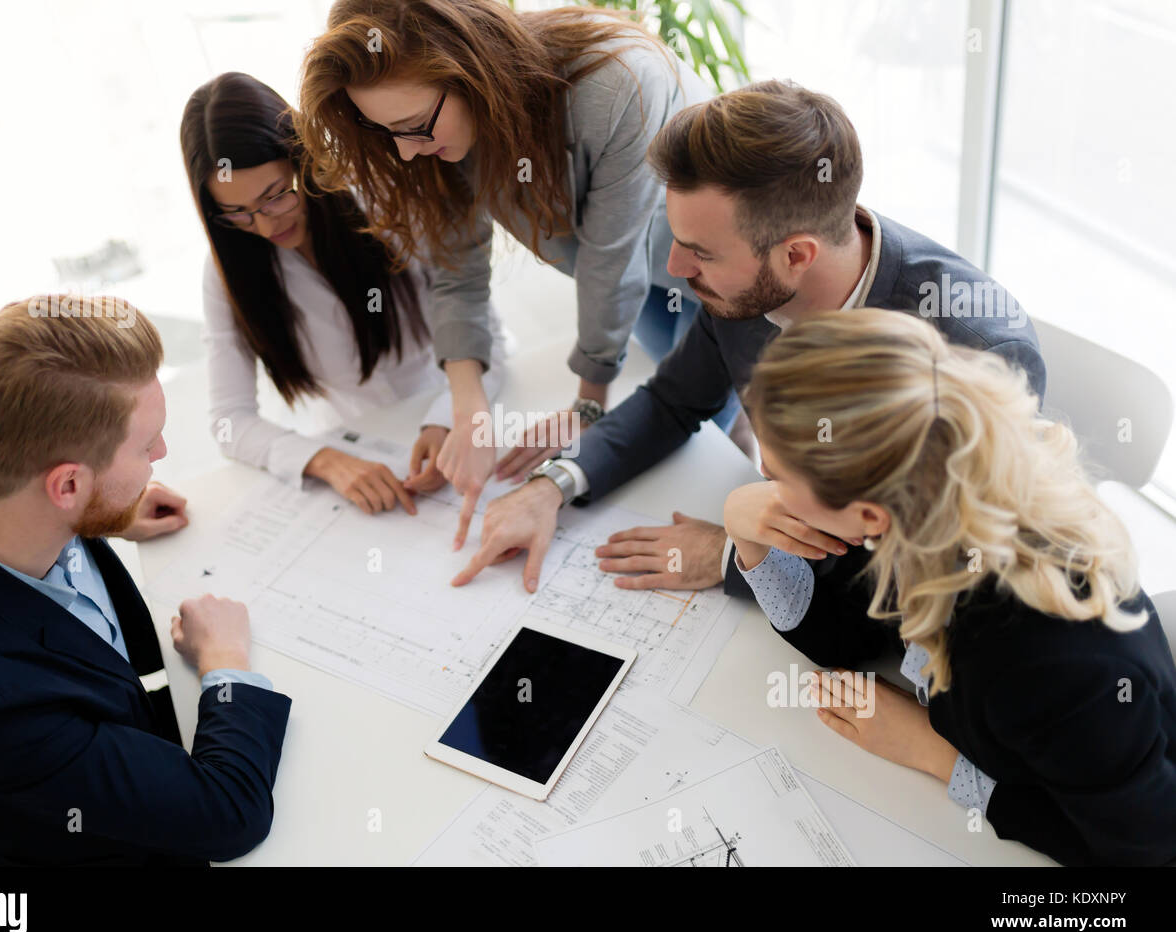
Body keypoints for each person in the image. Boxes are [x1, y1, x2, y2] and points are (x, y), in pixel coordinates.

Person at [452, 79, 1046, 596]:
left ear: (796, 255)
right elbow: (674, 400)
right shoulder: (745, 284)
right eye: (677, 239)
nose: (677, 269)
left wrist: (736, 554)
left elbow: (936, 566)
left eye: (701, 253)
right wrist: (553, 485)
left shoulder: (978, 354)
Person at [720, 307, 1175, 866]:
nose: (766, 483)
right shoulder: (926, 503)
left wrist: (933, 754)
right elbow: (850, 638)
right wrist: (749, 538)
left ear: (868, 514)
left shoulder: (1050, 666)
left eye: (780, 479)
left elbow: (1141, 849)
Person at [0, 296, 291, 865]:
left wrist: (111, 507)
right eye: (147, 447)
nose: (163, 453)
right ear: (66, 485)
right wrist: (224, 662)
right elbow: (229, 814)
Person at [296, 0, 713, 545]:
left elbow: (611, 259)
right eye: (386, 134)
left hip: (716, 274)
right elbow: (456, 272)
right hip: (638, 284)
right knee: (668, 450)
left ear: (468, 68)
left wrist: (588, 404)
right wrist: (468, 410)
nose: (403, 154)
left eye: (413, 127)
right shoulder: (439, 136)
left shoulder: (618, 82)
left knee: (706, 445)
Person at [181, 72, 507, 513]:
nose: (265, 225)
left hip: (470, 403)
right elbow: (228, 422)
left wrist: (447, 420)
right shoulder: (226, 271)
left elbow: (488, 338)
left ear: (303, 157)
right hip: (362, 447)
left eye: (277, 195)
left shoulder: (388, 197)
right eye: (237, 213)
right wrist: (325, 461)